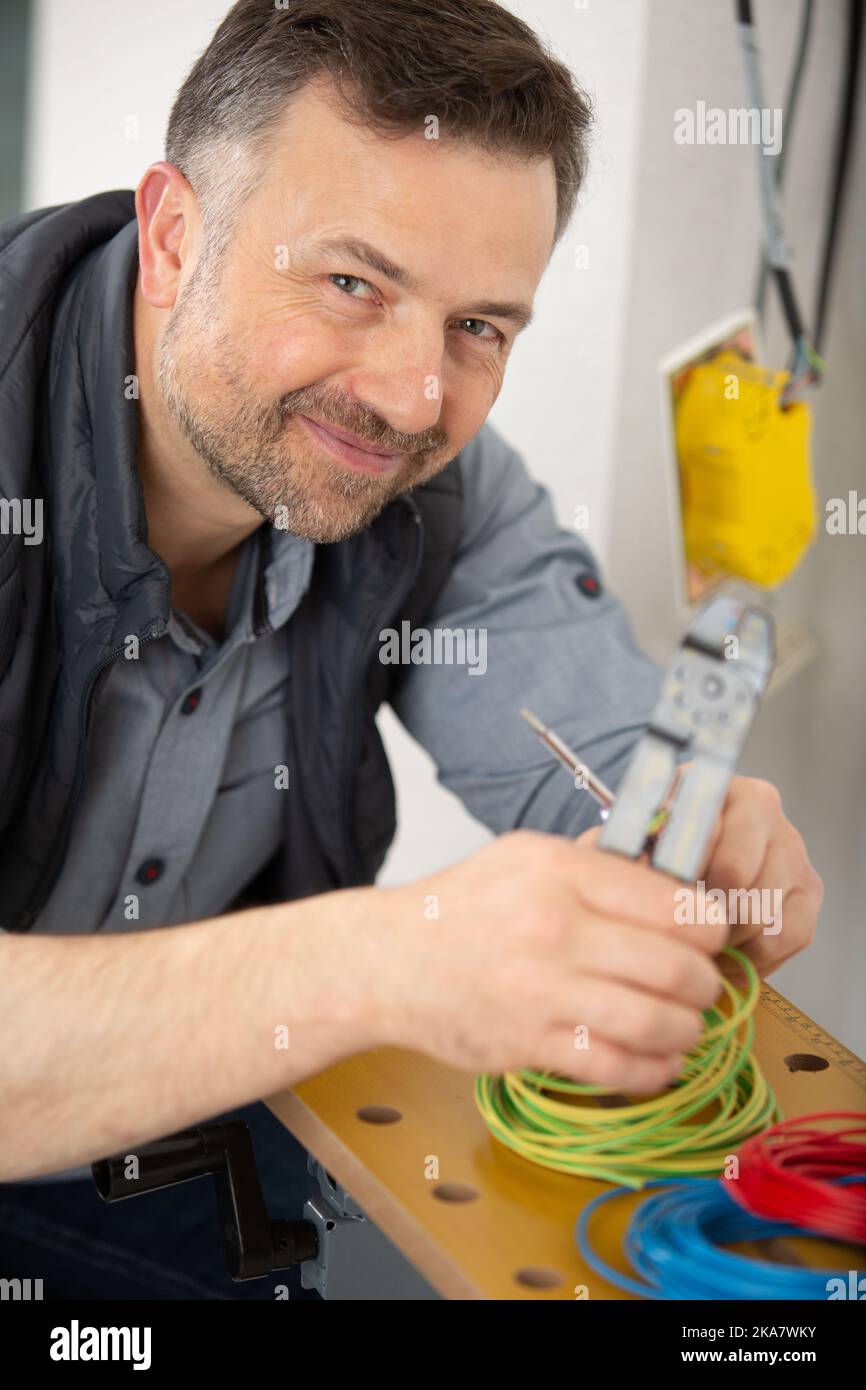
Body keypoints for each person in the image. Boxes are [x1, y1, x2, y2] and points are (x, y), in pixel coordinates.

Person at [0, 0, 822, 1298]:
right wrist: (382, 960)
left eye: (479, 326)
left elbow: (598, 759)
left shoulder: (433, 488)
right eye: (351, 284)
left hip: (196, 1166)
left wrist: (678, 830)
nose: (409, 398)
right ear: (173, 234)